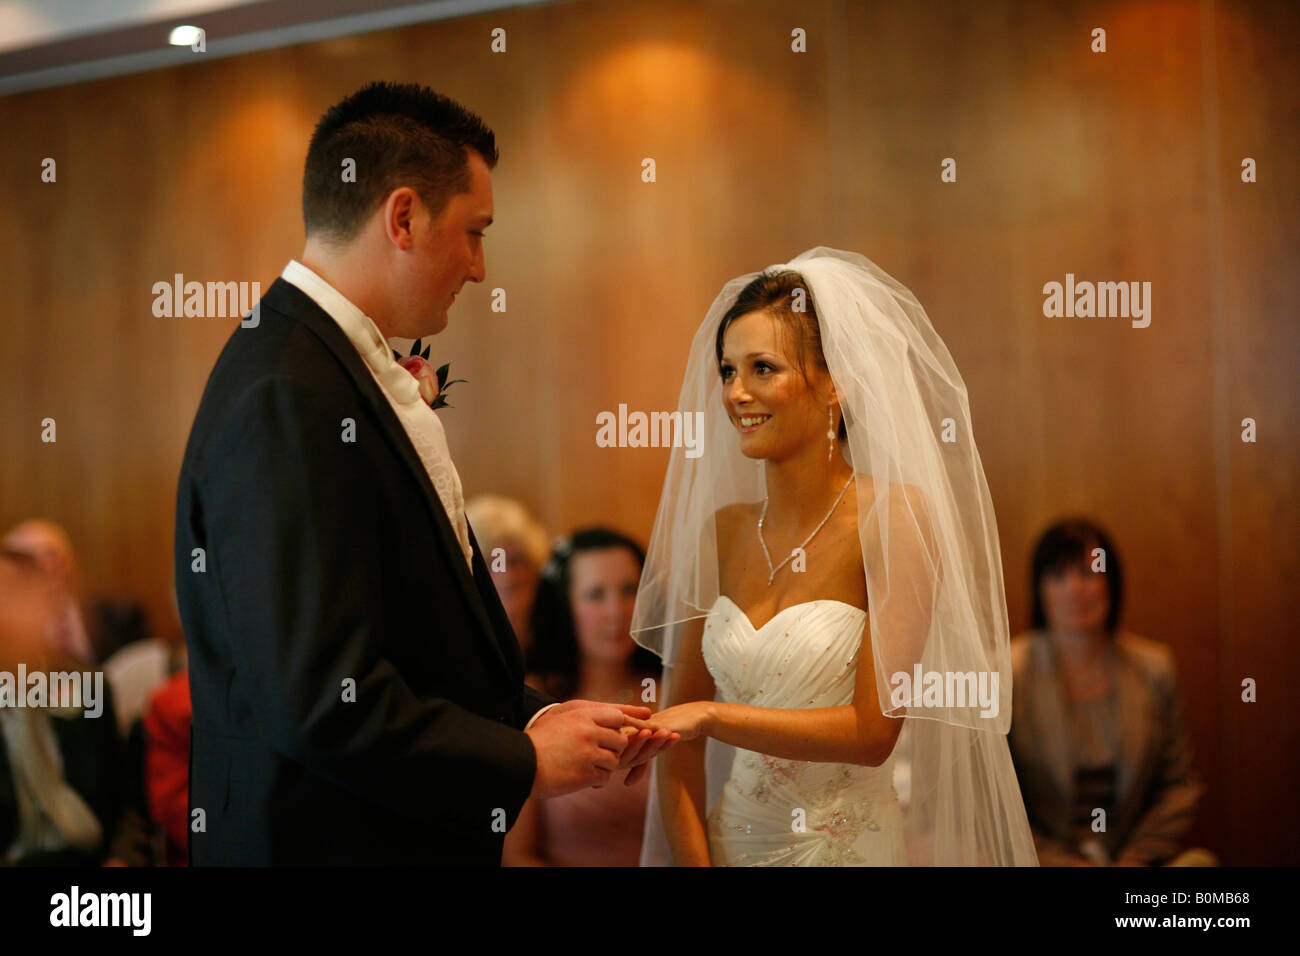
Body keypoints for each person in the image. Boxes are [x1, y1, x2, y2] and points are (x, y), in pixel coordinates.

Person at [174, 81, 675, 865]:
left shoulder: (325, 368)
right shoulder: (286, 393)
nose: (479, 268)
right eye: (475, 232)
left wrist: (540, 720)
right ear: (403, 217)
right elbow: (318, 698)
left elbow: (413, 647)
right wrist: (524, 761)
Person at [635, 248, 1038, 865]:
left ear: (834, 383)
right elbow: (677, 740)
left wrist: (715, 715)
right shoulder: (722, 532)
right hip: (729, 842)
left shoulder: (893, 518)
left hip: (842, 849)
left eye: (762, 369)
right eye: (726, 371)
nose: (736, 393)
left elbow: (873, 733)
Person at [1009, 518, 1210, 866]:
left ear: (1112, 584)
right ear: (1039, 589)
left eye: (1089, 573)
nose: (1075, 589)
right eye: (1058, 575)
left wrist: (1132, 861)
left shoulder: (1155, 668)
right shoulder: (1008, 674)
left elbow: (1178, 787)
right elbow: (996, 802)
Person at [504, 529, 662, 866]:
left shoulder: (673, 692)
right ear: (565, 606)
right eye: (594, 595)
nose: (616, 611)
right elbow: (516, 855)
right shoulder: (534, 704)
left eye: (629, 590)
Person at [464, 495, 549, 657]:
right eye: (493, 563)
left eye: (516, 561)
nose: (507, 577)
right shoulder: (464, 645)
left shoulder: (563, 636)